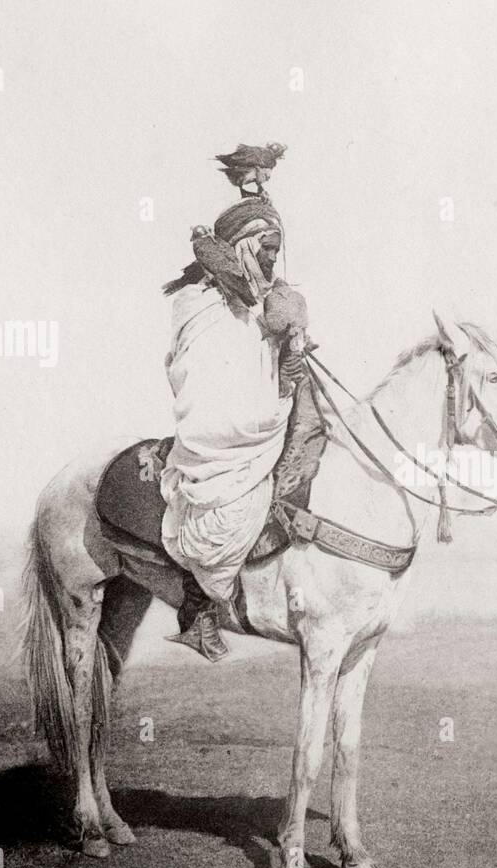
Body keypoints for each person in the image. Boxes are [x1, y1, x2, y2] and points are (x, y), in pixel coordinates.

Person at [158, 188, 306, 661]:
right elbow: (207, 385)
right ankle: (205, 612)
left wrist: (286, 360)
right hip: (221, 434)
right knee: (231, 509)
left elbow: (259, 363)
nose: (271, 260)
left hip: (260, 417)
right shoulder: (201, 304)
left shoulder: (256, 305)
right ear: (243, 246)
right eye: (266, 250)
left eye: (276, 252)